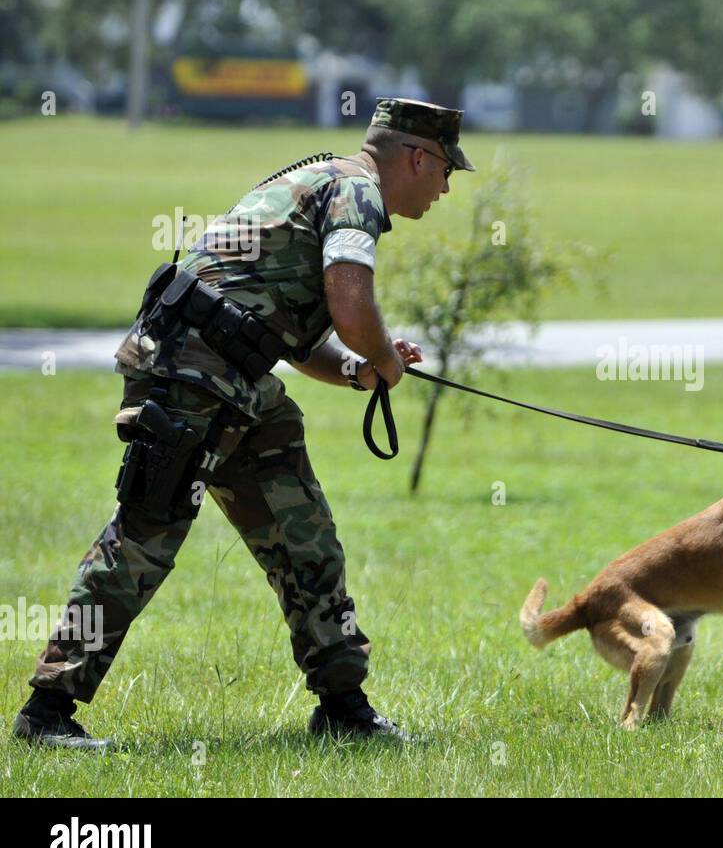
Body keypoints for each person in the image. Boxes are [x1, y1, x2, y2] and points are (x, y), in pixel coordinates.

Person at [14, 98, 474, 749]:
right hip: (192, 372)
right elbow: (350, 300)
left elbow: (283, 333)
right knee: (147, 533)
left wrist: (357, 370)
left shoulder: (324, 182)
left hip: (236, 378)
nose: (447, 187)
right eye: (447, 170)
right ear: (418, 158)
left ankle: (344, 708)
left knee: (303, 533)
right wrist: (382, 356)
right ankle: (46, 713)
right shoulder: (357, 192)